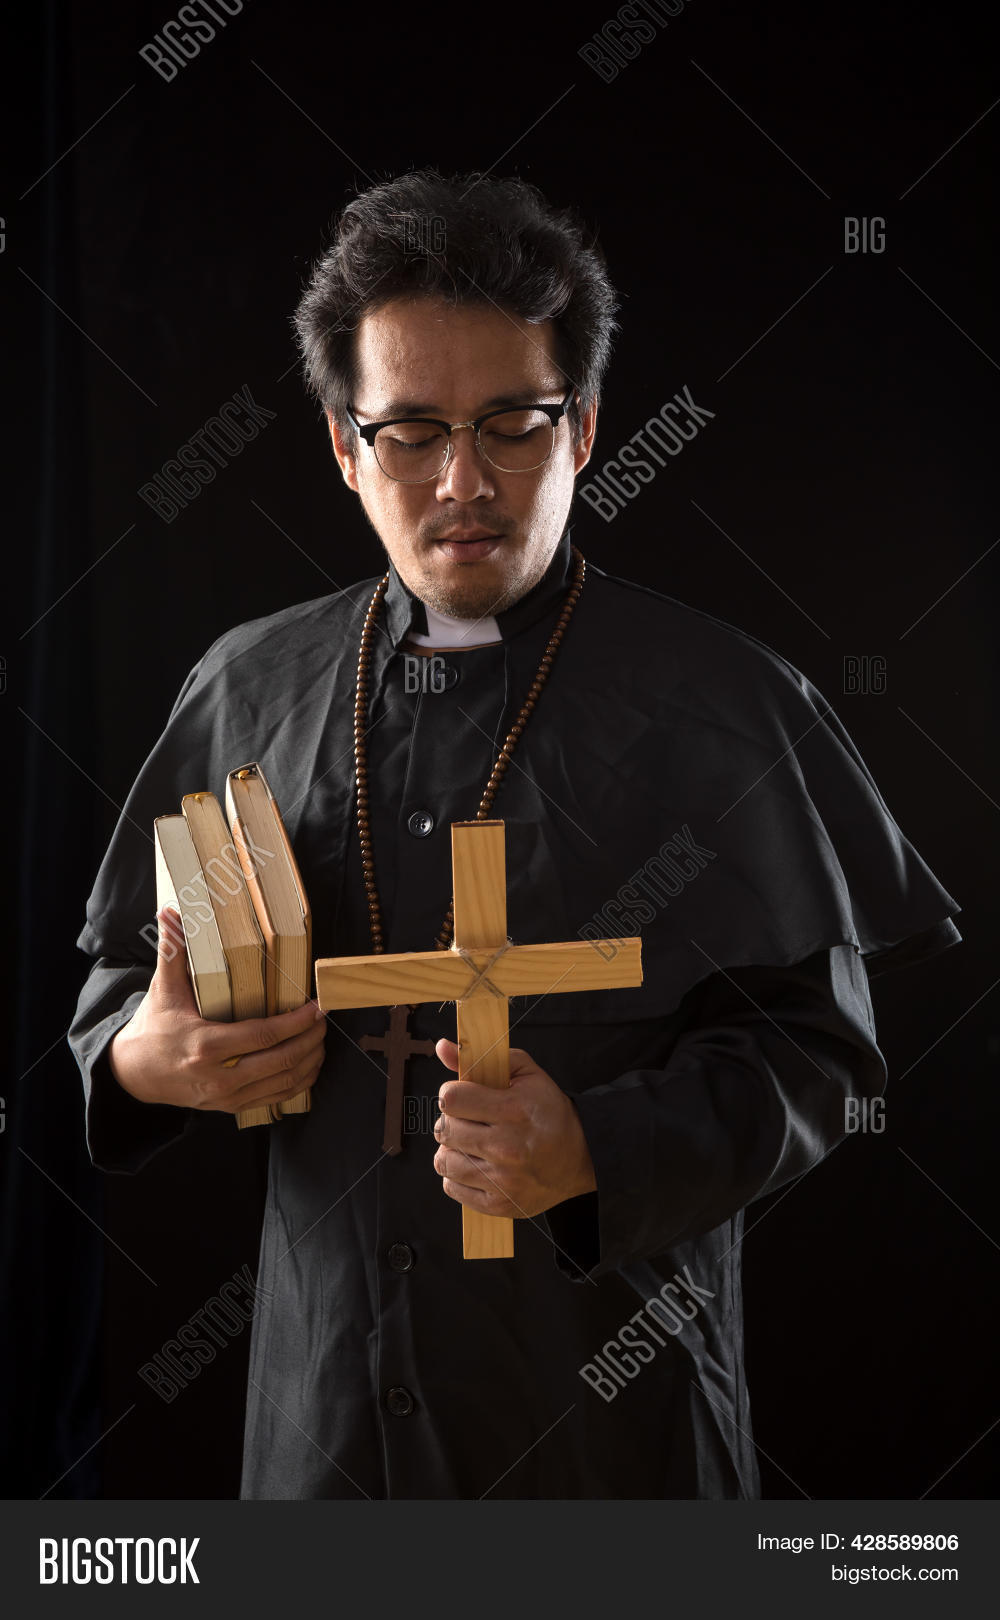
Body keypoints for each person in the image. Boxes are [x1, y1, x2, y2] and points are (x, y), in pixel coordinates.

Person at [69, 169, 961, 1500]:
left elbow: (820, 1057)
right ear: (342, 445)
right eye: (412, 433)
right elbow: (114, 999)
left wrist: (599, 1150)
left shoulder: (726, 701)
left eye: (513, 427)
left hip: (613, 1428)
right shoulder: (246, 686)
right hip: (323, 1430)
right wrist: (144, 1057)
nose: (462, 483)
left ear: (586, 427)